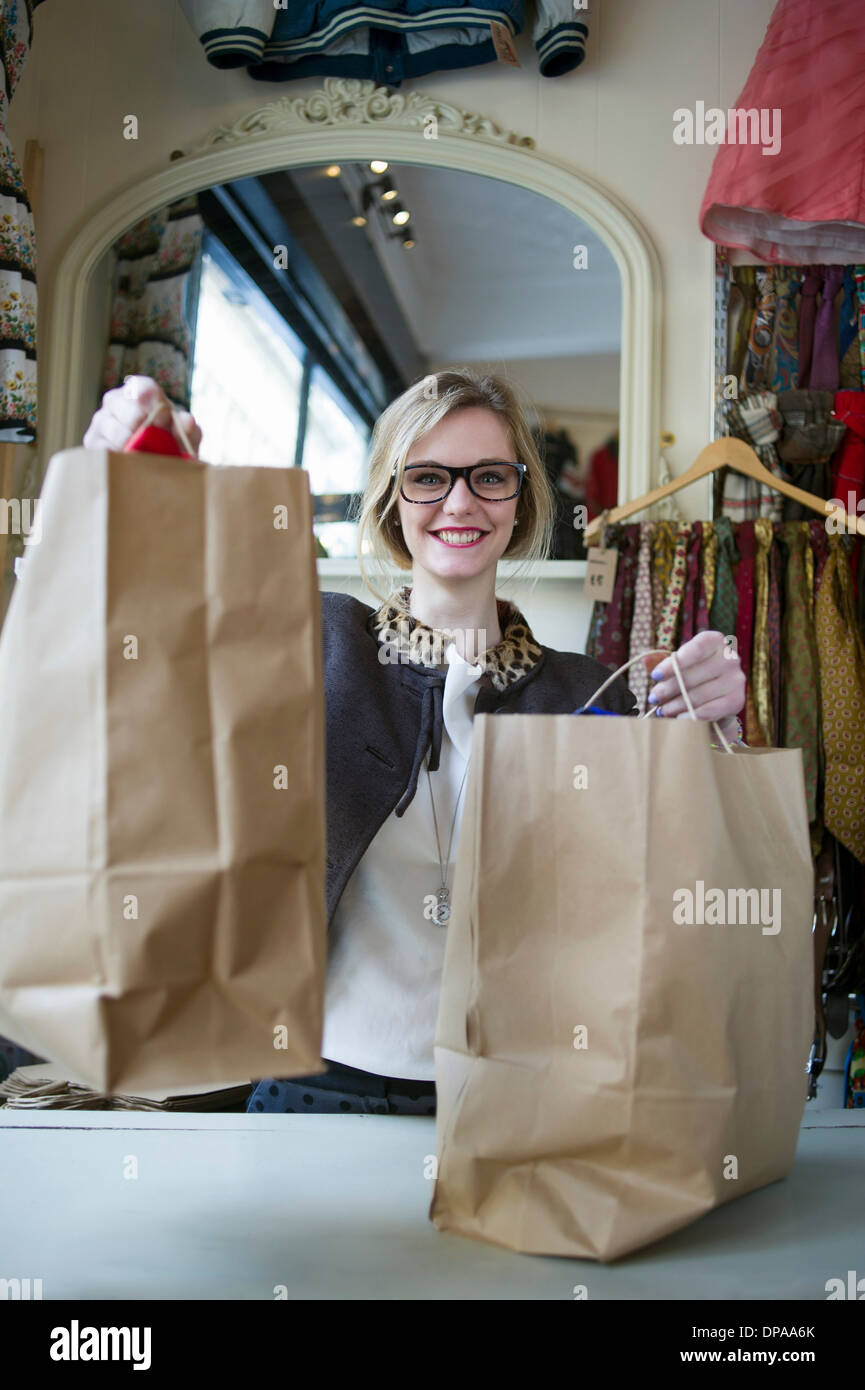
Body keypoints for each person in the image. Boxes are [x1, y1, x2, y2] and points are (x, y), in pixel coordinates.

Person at [83, 369, 746, 1116]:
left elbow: (682, 883)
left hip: (529, 1096)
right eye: (427, 478)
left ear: (521, 499)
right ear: (392, 502)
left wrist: (716, 733)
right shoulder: (317, 640)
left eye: (489, 477)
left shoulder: (594, 693)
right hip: (317, 1085)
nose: (459, 502)